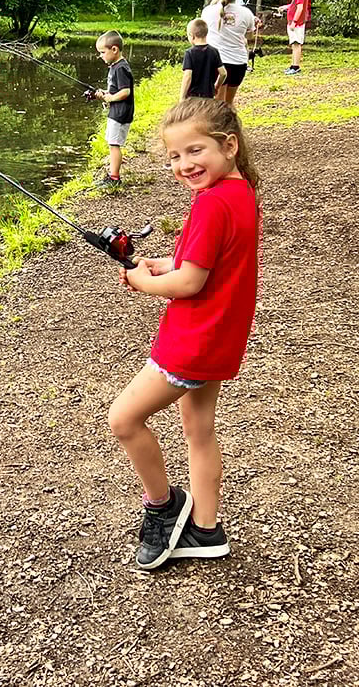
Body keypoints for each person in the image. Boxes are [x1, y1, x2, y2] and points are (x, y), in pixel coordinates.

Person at [108, 97, 260, 570]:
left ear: (228, 145)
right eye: (174, 156)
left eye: (195, 151)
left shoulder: (212, 203)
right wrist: (165, 265)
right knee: (198, 431)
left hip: (192, 342)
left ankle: (163, 506)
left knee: (124, 419)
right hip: (219, 336)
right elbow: (207, 265)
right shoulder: (239, 193)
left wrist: (141, 279)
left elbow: (190, 283)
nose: (184, 164)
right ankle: (206, 531)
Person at [201, 0, 258, 106]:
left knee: (218, 103)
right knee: (228, 103)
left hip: (215, 62)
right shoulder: (247, 13)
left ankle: (219, 126)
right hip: (238, 63)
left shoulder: (208, 11)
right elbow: (249, 37)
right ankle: (230, 126)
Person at [93, 30, 134, 187]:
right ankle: (112, 174)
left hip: (120, 113)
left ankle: (114, 178)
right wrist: (105, 94)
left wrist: (111, 98)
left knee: (114, 144)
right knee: (112, 143)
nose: (101, 56)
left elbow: (125, 92)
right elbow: (117, 90)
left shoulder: (121, 68)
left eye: (103, 52)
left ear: (114, 49)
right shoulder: (115, 66)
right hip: (117, 111)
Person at [180, 18, 227, 99]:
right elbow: (223, 73)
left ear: (192, 36)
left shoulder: (190, 53)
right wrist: (216, 86)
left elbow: (188, 76)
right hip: (208, 96)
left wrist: (182, 97)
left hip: (193, 97)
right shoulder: (214, 51)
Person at [278, 0, 310, 76]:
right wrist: (285, 7)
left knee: (296, 44)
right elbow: (294, 5)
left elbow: (300, 8)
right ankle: (293, 65)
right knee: (294, 44)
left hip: (297, 23)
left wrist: (294, 22)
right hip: (295, 23)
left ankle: (296, 67)